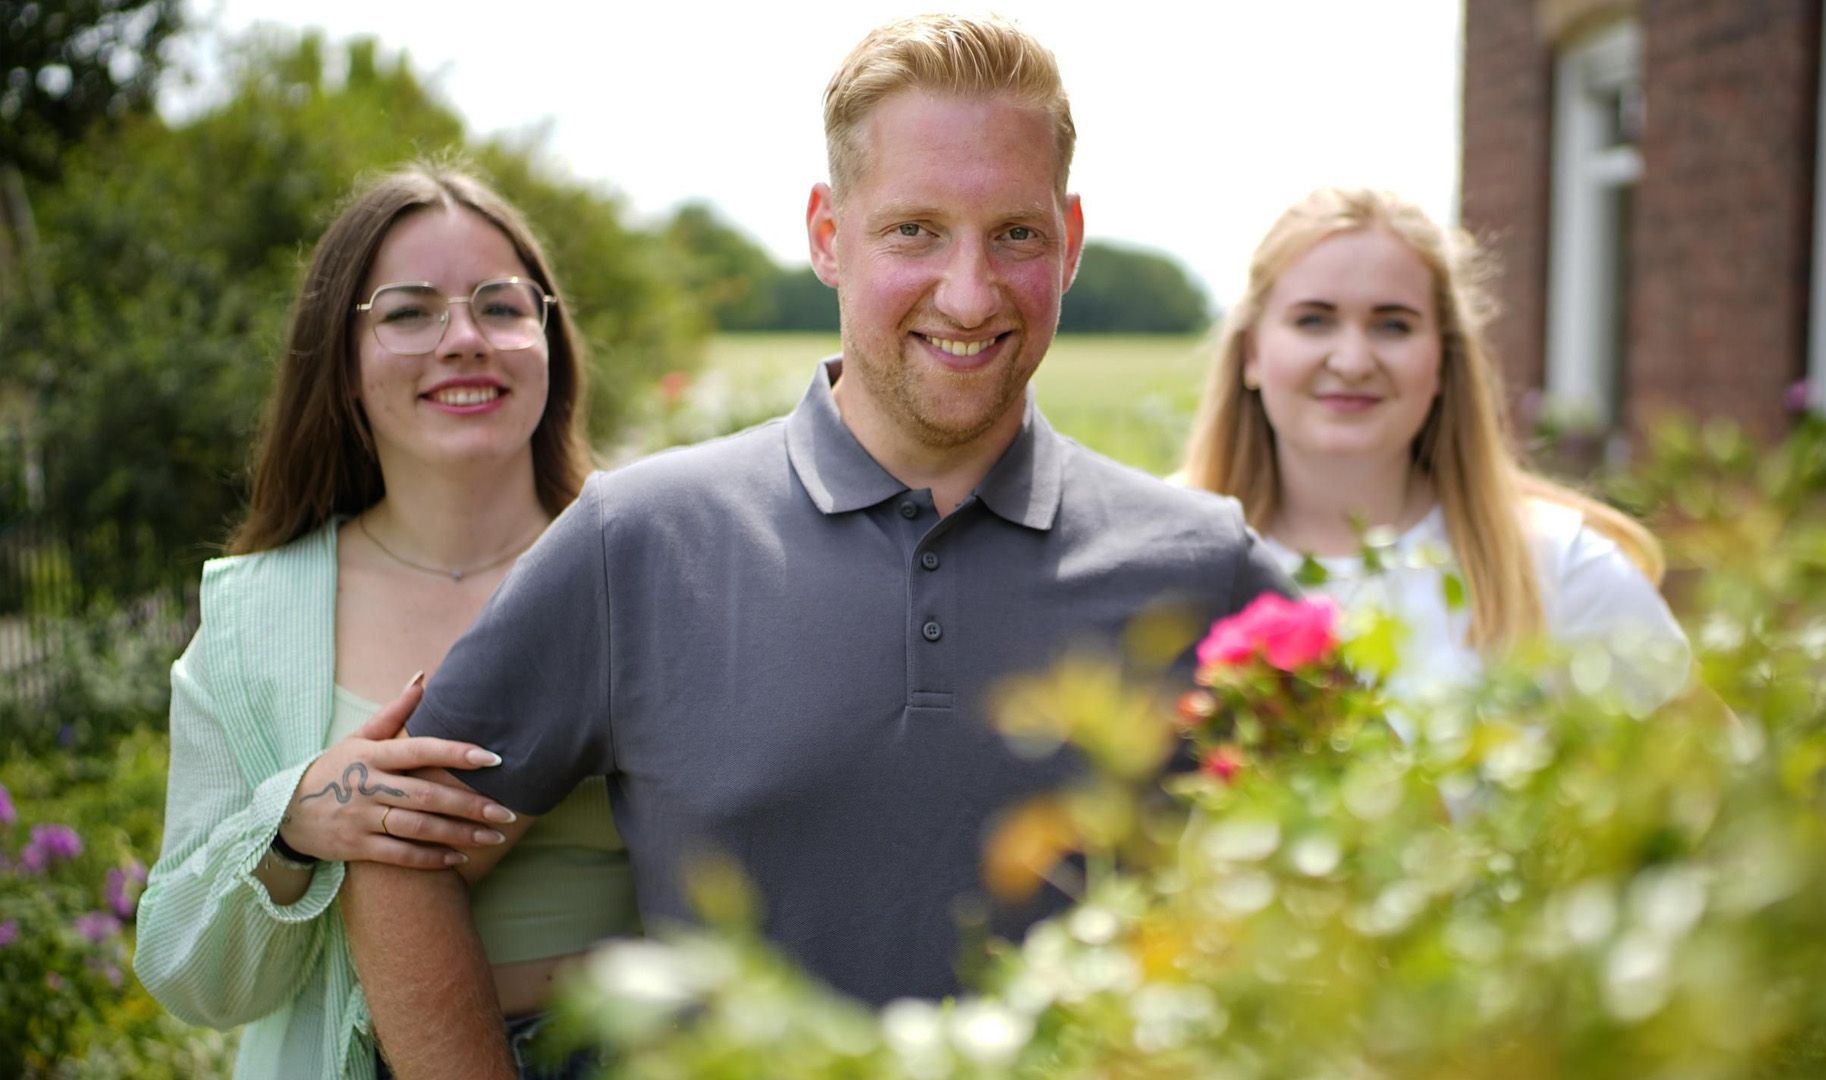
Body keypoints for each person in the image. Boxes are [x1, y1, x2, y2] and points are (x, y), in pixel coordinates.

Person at [343, 14, 1297, 1078]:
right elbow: (393, 858)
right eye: (915, 232)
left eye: (1016, 235)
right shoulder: (641, 542)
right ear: (828, 234)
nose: (971, 293)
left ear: (1070, 242)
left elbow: (1361, 874)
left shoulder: (1204, 568)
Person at [133, 165, 634, 1080]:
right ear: (343, 364)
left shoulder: (646, 563)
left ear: (549, 340)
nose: (466, 339)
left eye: (503, 307)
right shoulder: (255, 618)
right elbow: (187, 976)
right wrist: (294, 824)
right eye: (409, 313)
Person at [1181, 187, 1689, 712]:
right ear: (1252, 353)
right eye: (1314, 320)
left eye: (1393, 325)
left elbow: (1716, 779)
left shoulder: (1561, 565)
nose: (1353, 360)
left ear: (1444, 359)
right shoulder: (1157, 554)